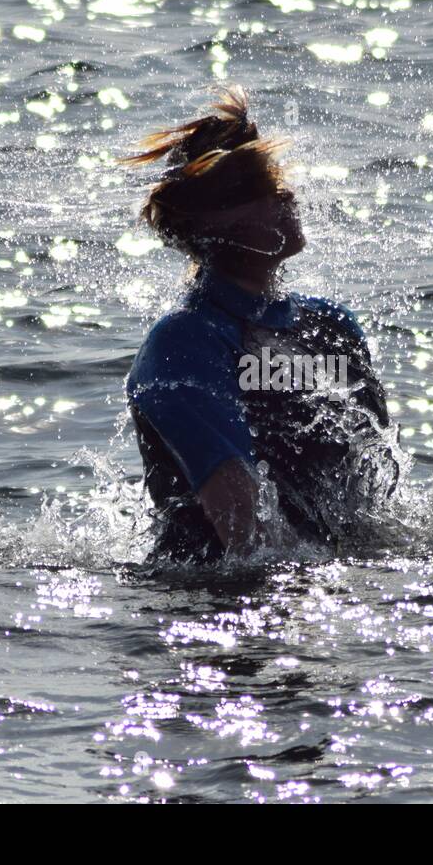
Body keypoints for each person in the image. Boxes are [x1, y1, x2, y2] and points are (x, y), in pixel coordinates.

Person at [123, 86, 396, 562]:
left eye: (276, 181)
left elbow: (374, 508)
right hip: (216, 606)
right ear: (207, 226)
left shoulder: (331, 327)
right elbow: (247, 542)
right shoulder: (186, 345)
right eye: (257, 191)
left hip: (320, 587)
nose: (284, 194)